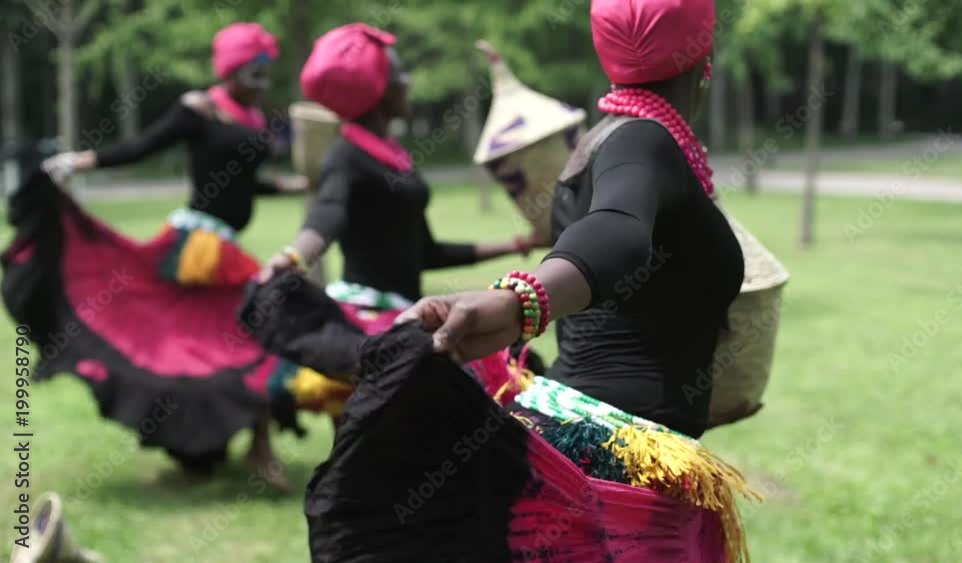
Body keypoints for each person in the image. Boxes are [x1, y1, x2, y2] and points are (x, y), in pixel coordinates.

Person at [299, 0, 758, 561]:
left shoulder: (603, 141)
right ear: (703, 52)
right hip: (613, 467)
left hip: (609, 439)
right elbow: (614, 234)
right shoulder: (643, 141)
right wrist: (522, 302)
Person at [5, 22, 320, 491]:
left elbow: (241, 184)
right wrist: (79, 161)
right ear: (230, 72)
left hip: (226, 250)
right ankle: (252, 448)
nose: (261, 83)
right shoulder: (199, 108)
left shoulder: (253, 120)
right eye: (253, 74)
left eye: (266, 74)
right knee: (211, 339)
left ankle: (231, 443)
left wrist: (296, 185)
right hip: (194, 248)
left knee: (246, 339)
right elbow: (141, 148)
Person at [257, 22, 538, 354]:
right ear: (378, 88)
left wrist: (520, 243)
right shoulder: (345, 155)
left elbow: (425, 252)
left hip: (405, 311)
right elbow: (328, 211)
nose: (409, 81)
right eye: (400, 73)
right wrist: (296, 255)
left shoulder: (394, 156)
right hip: (371, 320)